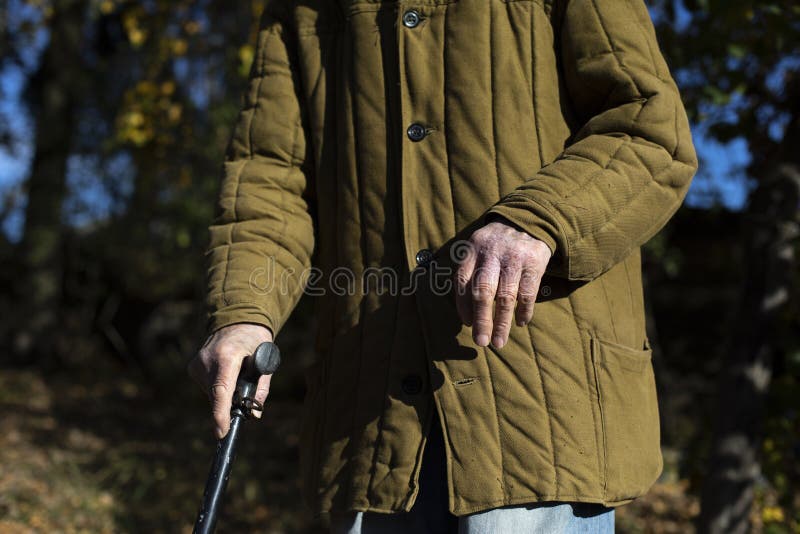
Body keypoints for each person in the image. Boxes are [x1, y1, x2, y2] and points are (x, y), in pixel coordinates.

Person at [188, 0, 697, 532]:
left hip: (538, 412)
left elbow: (650, 127)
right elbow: (267, 177)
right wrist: (242, 311)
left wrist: (539, 220)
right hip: (367, 426)